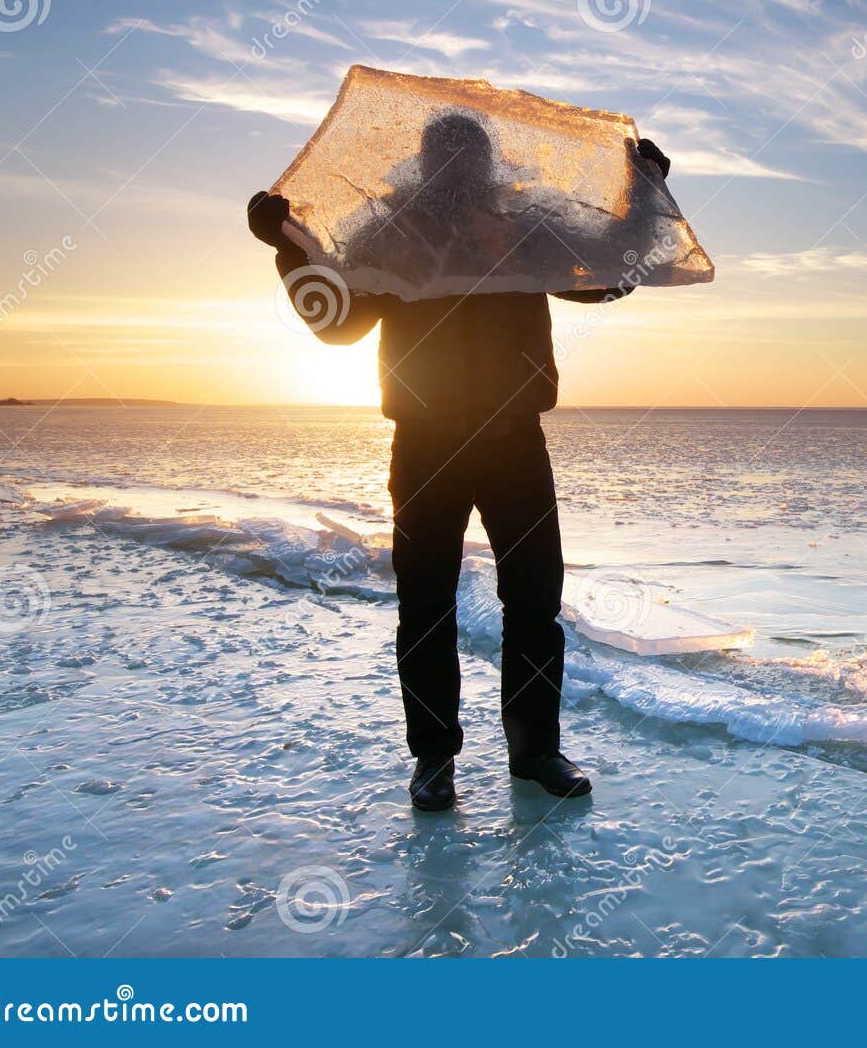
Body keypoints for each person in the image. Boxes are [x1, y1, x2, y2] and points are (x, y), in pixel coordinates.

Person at [247, 122, 672, 810]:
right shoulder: (393, 231)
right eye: (445, 160)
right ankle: (434, 759)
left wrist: (645, 188)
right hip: (424, 441)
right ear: (423, 166)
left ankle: (535, 752)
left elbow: (610, 275)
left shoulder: (523, 225)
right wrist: (287, 250)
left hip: (514, 438)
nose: (457, 172)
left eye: (468, 159)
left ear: (488, 164)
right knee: (425, 606)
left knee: (534, 602)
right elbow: (337, 321)